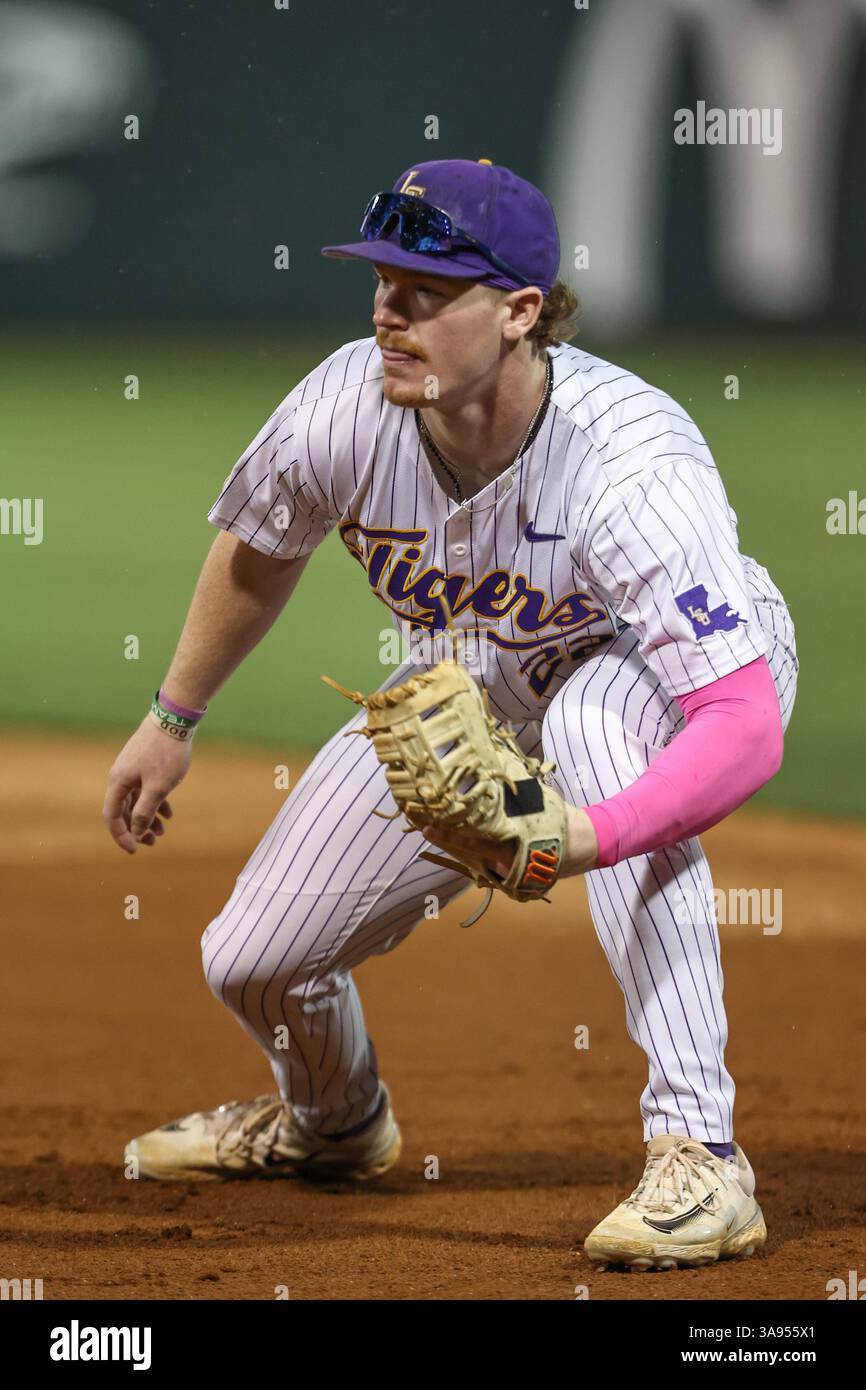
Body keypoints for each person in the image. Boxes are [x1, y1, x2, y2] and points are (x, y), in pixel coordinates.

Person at [102, 158, 797, 1272]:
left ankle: (699, 1152)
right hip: (477, 689)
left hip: (663, 673)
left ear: (520, 310)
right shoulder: (342, 408)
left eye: (426, 289)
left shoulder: (626, 463)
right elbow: (258, 548)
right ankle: (332, 1124)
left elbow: (742, 720)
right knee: (251, 959)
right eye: (381, 281)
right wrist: (171, 714)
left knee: (589, 727)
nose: (389, 310)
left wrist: (585, 835)